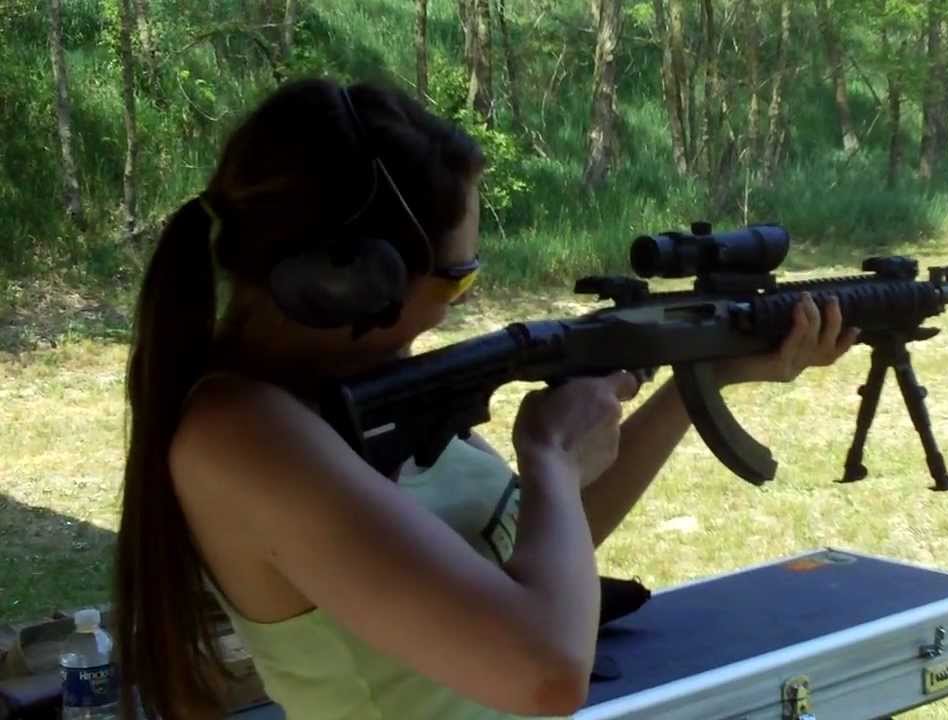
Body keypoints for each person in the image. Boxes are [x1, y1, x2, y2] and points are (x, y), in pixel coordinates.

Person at [112, 77, 859, 720]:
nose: (460, 304)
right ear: (357, 277)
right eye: (459, 278)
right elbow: (543, 670)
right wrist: (551, 460)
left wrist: (707, 376)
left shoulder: (348, 398)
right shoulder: (244, 437)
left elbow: (532, 561)